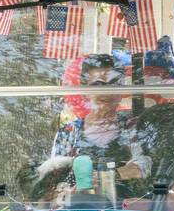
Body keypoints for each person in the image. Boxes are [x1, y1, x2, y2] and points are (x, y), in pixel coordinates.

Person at [34, 54, 151, 199]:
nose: (107, 92)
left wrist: (107, 177)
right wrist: (68, 192)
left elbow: (144, 166)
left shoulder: (133, 127)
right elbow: (53, 178)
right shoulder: (69, 132)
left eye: (114, 84)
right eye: (98, 85)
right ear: (85, 90)